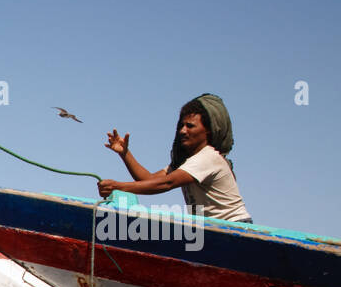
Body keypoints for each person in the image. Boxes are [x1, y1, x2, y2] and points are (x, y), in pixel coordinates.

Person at [98, 93, 251, 222]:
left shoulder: (208, 157)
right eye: (181, 126)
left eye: (190, 126)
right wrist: (125, 153)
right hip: (211, 230)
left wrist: (117, 186)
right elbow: (148, 180)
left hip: (235, 227)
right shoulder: (186, 161)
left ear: (208, 131)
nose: (183, 131)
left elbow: (166, 183)